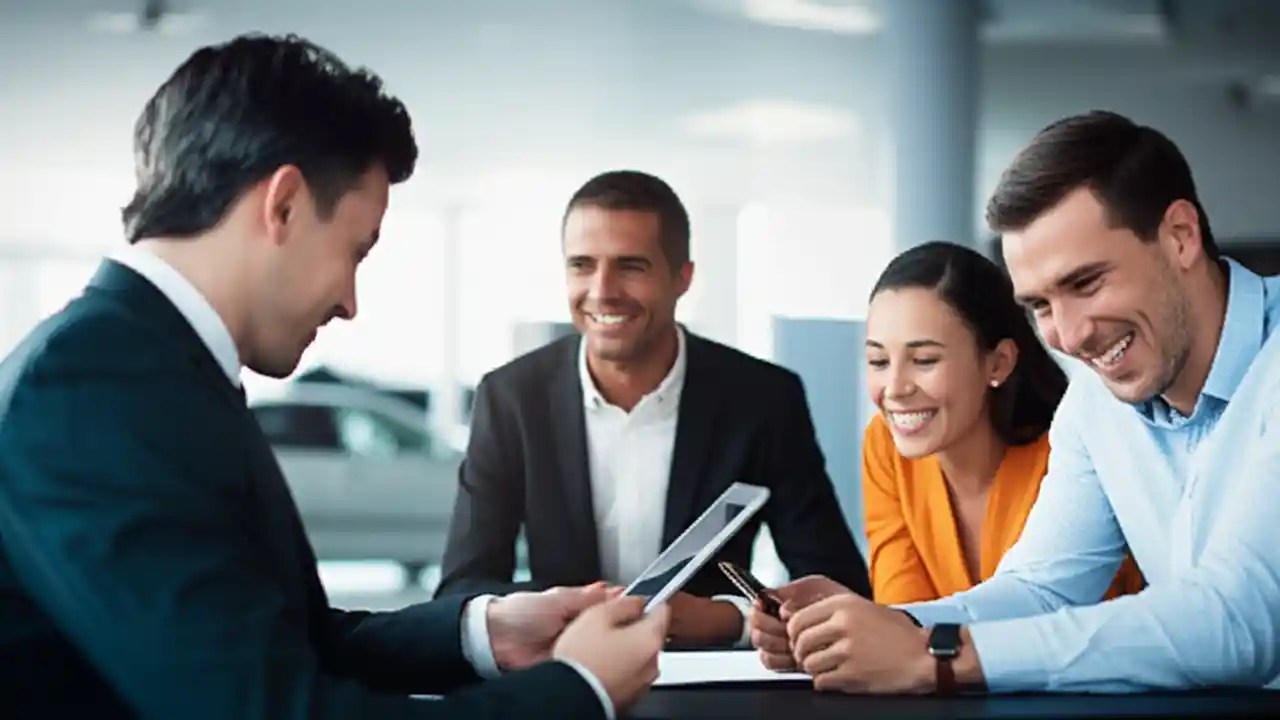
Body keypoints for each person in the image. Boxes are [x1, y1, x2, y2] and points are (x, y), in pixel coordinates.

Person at [0, 34, 667, 719]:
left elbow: (273, 640)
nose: (351, 301)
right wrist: (578, 691)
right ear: (283, 205)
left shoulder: (149, 366)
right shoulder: (89, 392)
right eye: (356, 249)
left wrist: (483, 633)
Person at [749, 110, 1280, 694]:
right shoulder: (1096, 402)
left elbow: (1243, 621)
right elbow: (1042, 589)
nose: (1070, 338)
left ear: (1180, 236)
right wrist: (883, 627)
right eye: (1041, 306)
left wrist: (940, 659)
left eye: (1085, 284)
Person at [436, 169, 870, 648]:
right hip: (559, 678)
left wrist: (730, 620)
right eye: (581, 264)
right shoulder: (510, 399)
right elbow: (462, 590)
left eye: (630, 266)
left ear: (682, 277)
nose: (601, 290)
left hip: (710, 688)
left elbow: (838, 588)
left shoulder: (763, 399)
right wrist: (551, 613)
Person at [861, 241, 1144, 604]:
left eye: (925, 360)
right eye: (878, 362)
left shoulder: (1073, 454)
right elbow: (901, 611)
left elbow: (1064, 625)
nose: (895, 389)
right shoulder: (884, 446)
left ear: (998, 363)